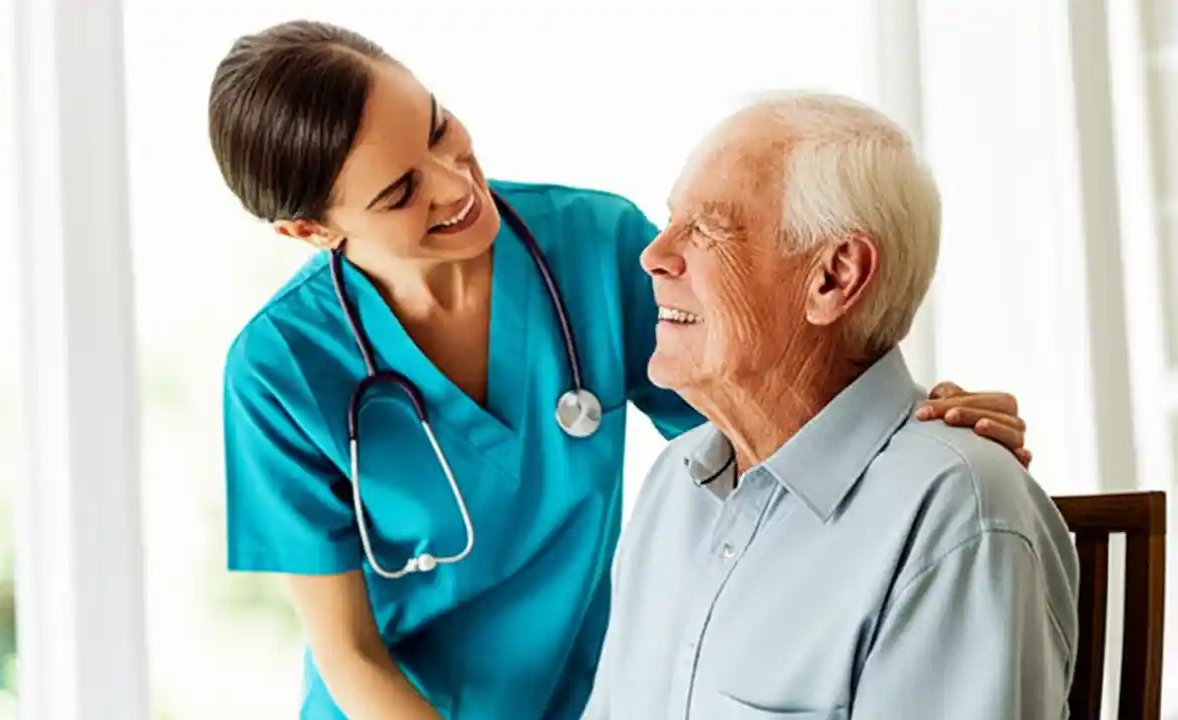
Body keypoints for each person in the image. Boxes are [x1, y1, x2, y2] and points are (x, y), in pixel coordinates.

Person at [209, 20, 1035, 720]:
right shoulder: (278, 370)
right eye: (399, 192)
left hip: (592, 695)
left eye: (437, 127)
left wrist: (912, 427)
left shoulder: (594, 246)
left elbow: (774, 428)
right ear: (312, 231)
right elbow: (349, 653)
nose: (456, 183)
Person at [583, 92, 1078, 720]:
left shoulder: (954, 512)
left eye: (707, 228)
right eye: (673, 218)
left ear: (834, 278)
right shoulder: (672, 488)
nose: (653, 256)